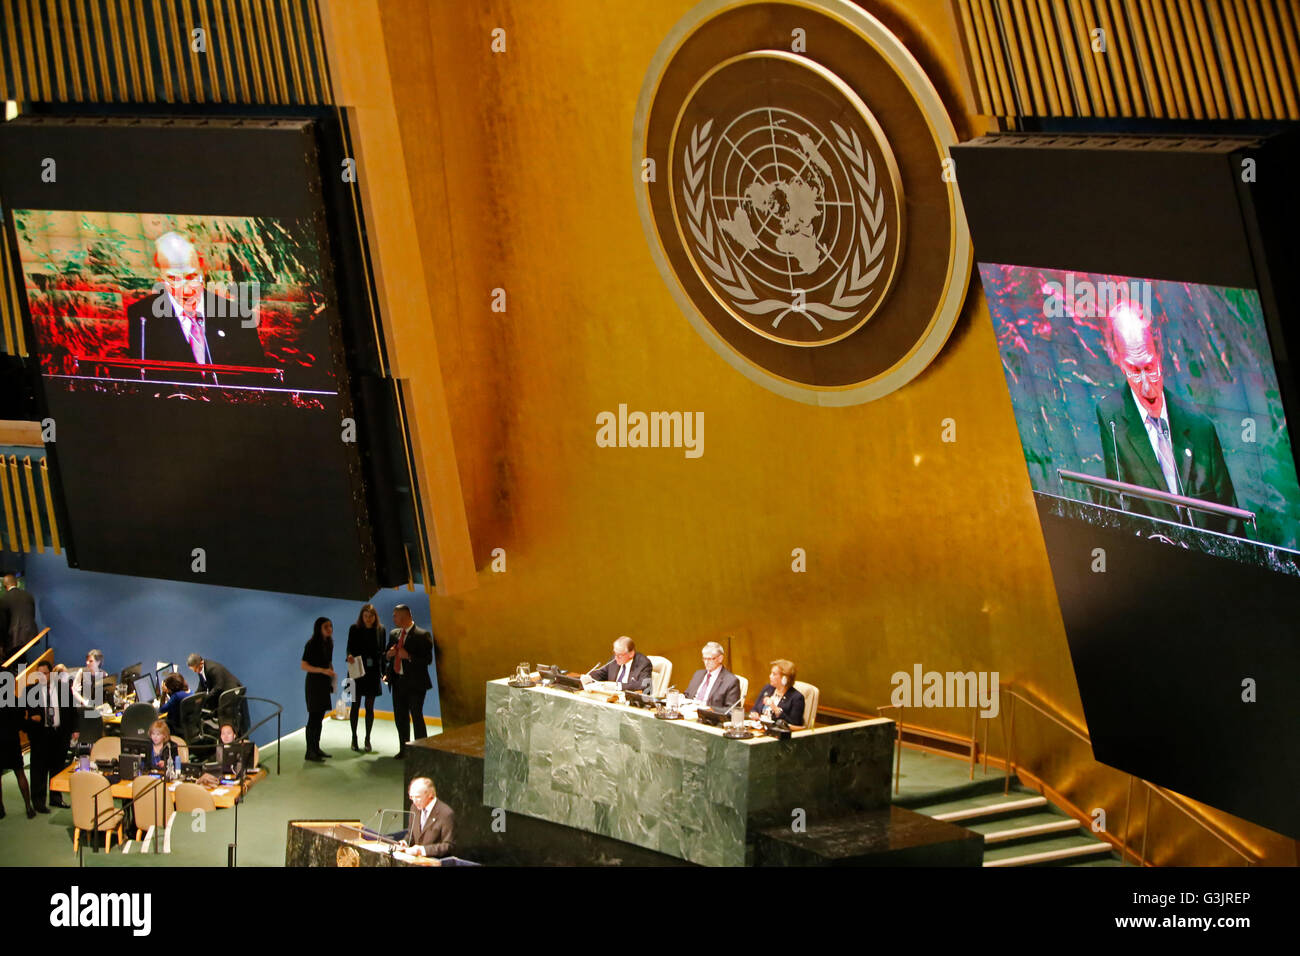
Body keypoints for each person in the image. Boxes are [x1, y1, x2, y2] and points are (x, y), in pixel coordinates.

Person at [1092, 300, 1239, 534]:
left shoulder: (1201, 428)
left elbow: (1232, 523)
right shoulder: (1111, 417)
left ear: (1159, 351)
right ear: (1117, 360)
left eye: (1149, 367)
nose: (1146, 386)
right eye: (1134, 370)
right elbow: (1120, 509)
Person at [126, 231, 266, 382]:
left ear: (202, 266)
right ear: (159, 276)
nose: (186, 290)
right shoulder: (143, 316)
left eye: (191, 276)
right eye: (173, 279)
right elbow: (142, 380)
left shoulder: (237, 316)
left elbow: (259, 380)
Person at [24, 660, 75, 810]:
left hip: (59, 733)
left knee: (57, 767)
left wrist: (74, 729)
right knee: (39, 769)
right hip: (40, 735)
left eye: (44, 673)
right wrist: (31, 721)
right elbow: (22, 716)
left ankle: (56, 798)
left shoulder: (63, 689)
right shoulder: (30, 691)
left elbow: (71, 712)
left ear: (51, 674)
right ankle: (39, 802)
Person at [384, 605, 433, 759]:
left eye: (395, 616)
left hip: (416, 684)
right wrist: (389, 655)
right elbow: (386, 656)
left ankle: (422, 751)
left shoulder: (422, 634)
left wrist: (409, 656)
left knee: (417, 716)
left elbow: (427, 660)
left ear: (404, 616)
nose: (393, 619)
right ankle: (404, 749)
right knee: (400, 717)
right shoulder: (394, 634)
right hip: (398, 682)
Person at [346, 603, 385, 753]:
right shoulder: (354, 629)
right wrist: (349, 655)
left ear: (375, 617)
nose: (368, 619)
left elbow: (382, 653)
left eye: (371, 616)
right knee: (355, 705)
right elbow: (349, 648)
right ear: (362, 617)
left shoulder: (380, 630)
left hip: (373, 672)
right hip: (356, 670)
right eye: (366, 616)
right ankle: (354, 738)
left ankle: (367, 739)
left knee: (370, 707)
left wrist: (383, 672)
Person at [1, 669, 36, 818]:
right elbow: (21, 723)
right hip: (12, 741)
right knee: (20, 773)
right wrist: (31, 723)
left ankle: (1, 809)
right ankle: (28, 807)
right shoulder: (14, 700)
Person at [186, 653, 248, 735]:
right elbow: (202, 686)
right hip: (223, 692)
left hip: (231, 691)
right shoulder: (200, 669)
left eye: (196, 669)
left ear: (201, 663)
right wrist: (194, 698)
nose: (195, 671)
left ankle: (232, 735)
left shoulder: (213, 669)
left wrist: (205, 698)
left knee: (222, 712)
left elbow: (218, 687)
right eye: (193, 670)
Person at [301, 617, 335, 762]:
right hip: (313, 684)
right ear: (319, 628)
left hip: (324, 683)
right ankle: (309, 751)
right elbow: (304, 665)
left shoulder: (329, 643)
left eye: (330, 626)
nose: (329, 629)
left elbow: (329, 662)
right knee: (313, 717)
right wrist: (321, 670)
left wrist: (332, 678)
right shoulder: (311, 644)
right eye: (326, 627)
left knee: (320, 717)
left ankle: (316, 747)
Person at [401, 776, 454, 859]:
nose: (414, 801)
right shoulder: (414, 808)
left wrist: (422, 850)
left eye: (418, 797)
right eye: (411, 797)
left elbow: (448, 846)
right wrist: (405, 842)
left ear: (430, 795)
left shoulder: (446, 813)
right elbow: (411, 834)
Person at [684, 641, 742, 709]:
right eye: (704, 659)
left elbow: (731, 710)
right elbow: (687, 696)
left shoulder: (731, 681)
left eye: (709, 659)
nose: (706, 662)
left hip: (708, 717)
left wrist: (709, 710)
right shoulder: (698, 674)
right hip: (688, 713)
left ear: (720, 658)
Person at [748, 659, 806, 727]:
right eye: (771, 673)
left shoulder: (796, 697)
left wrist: (775, 708)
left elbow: (795, 723)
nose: (770, 676)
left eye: (774, 674)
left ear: (785, 678)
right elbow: (755, 708)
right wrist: (754, 713)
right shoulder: (768, 688)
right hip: (760, 729)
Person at [585, 636, 653, 691]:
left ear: (631, 654)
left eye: (619, 655)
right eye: (615, 653)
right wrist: (590, 677)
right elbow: (602, 674)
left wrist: (618, 686)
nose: (616, 657)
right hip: (611, 698)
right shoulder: (614, 659)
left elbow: (644, 684)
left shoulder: (643, 663)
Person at [0, 573, 35, 664]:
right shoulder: (28, 596)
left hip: (13, 637)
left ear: (4, 586)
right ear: (16, 583)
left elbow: (3, 624)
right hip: (30, 635)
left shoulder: (4, 599)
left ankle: (15, 677)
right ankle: (22, 675)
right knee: (21, 659)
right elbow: (32, 614)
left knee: (12, 662)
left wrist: (2, 644)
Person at [157, 672, 191, 737]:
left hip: (175, 728)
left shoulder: (176, 696)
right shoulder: (190, 692)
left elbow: (161, 709)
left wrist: (164, 692)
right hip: (187, 726)